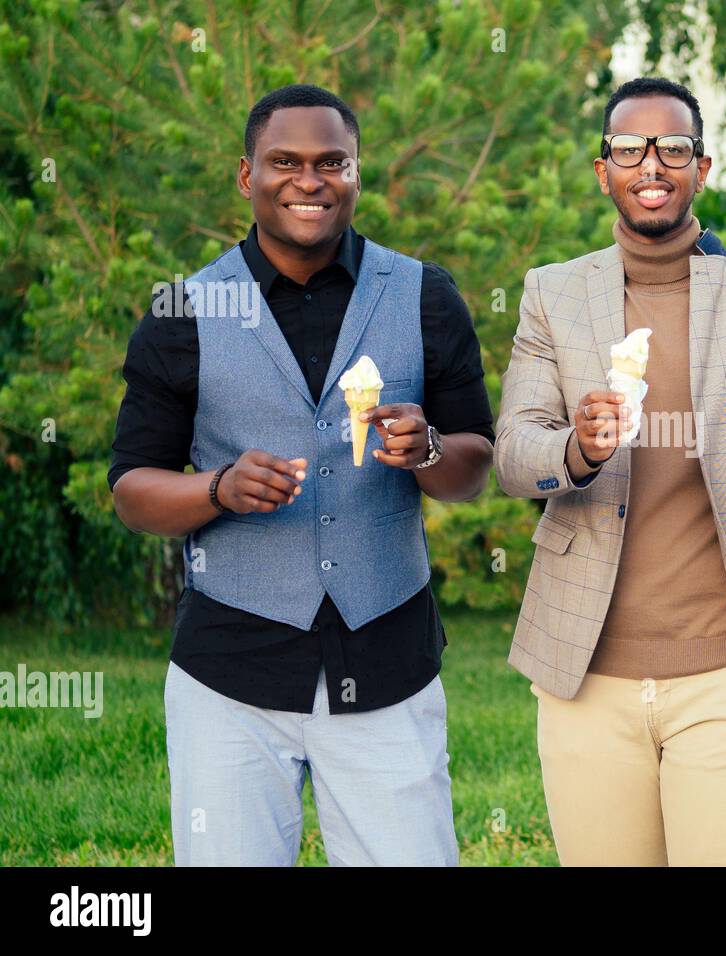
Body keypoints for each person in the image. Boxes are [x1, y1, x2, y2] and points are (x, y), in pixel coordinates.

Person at [108, 84, 495, 866]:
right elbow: (133, 490)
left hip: (389, 662)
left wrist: (424, 450)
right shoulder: (184, 310)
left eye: (331, 162)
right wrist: (216, 489)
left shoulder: (425, 296)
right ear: (248, 177)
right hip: (231, 675)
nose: (308, 180)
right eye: (285, 162)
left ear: (357, 175)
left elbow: (473, 467)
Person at [494, 77, 726, 866]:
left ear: (702, 166)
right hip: (585, 679)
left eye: (673, 148)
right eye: (629, 148)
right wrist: (576, 451)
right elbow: (514, 455)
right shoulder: (553, 296)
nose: (650, 164)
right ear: (603, 170)